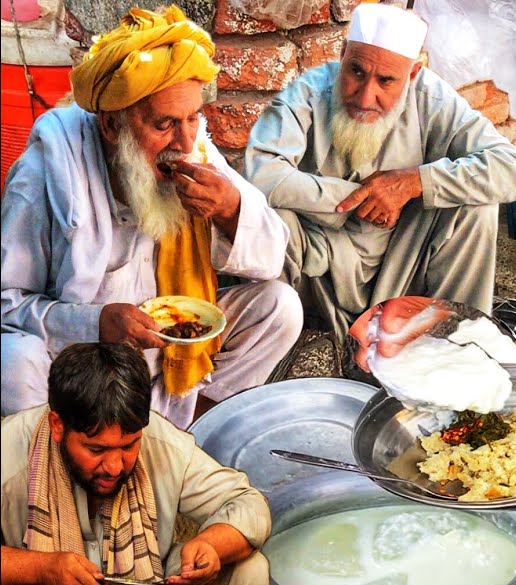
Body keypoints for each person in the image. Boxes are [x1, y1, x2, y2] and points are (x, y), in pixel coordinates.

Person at [1, 6, 303, 430]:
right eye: (165, 124)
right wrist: (95, 323)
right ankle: (63, 456)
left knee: (279, 307)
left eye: (193, 118)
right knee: (12, 361)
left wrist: (229, 209)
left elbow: (272, 257)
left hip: (168, 361)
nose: (184, 141)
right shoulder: (44, 173)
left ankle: (189, 435)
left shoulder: (196, 151)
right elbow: (8, 305)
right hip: (82, 367)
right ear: (112, 126)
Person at [1, 342, 271, 585]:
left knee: (246, 571)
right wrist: (40, 568)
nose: (115, 466)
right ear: (58, 426)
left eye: (128, 446)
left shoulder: (159, 443)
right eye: (96, 450)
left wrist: (213, 544)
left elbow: (247, 503)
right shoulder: (9, 452)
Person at [244, 2, 516, 337]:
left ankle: (455, 340)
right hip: (321, 265)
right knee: (270, 219)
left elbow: (514, 171)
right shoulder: (306, 94)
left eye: (385, 81)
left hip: (402, 265)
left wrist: (414, 183)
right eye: (356, 72)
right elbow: (260, 175)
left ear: (412, 75)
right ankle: (282, 341)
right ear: (343, 53)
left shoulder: (432, 99)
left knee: (477, 205)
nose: (365, 97)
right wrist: (361, 197)